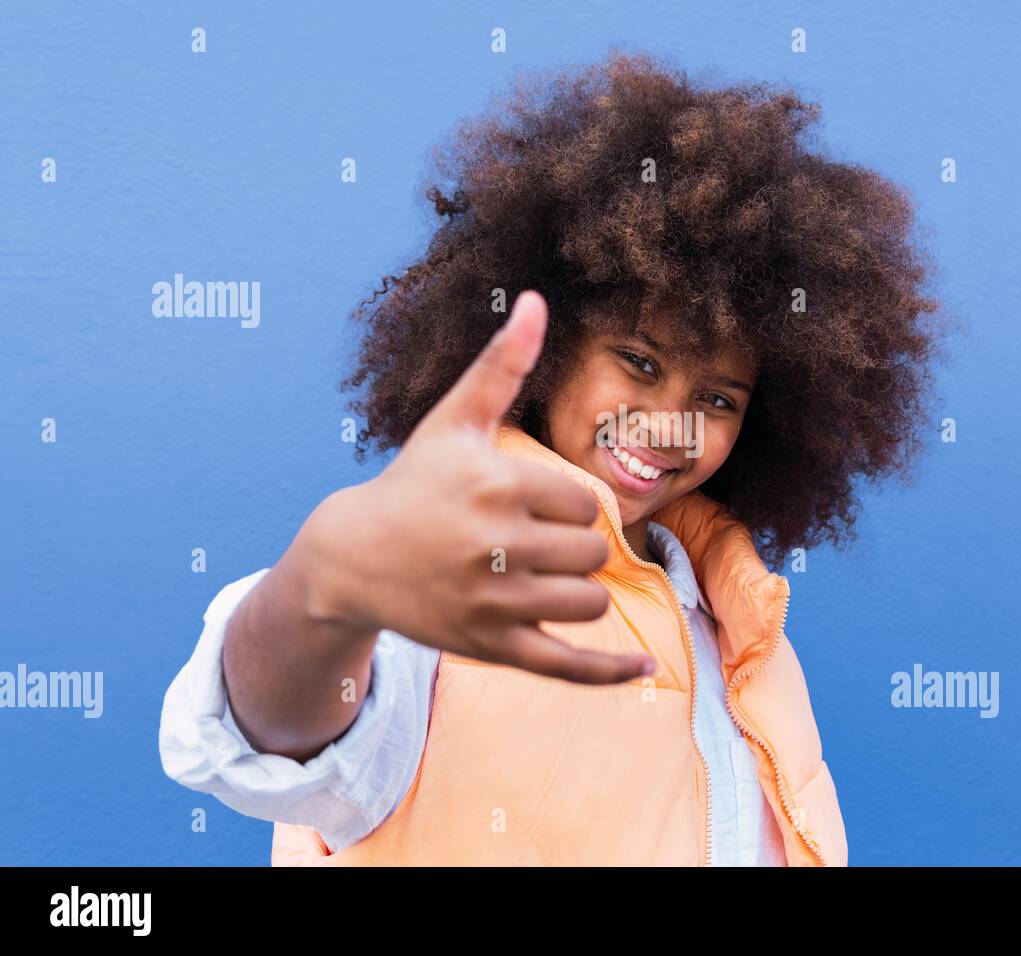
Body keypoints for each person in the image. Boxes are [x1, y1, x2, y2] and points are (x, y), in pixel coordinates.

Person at [159, 50, 943, 866]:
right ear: (554, 348)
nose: (670, 425)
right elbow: (260, 742)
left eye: (717, 400)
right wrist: (322, 592)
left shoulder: (739, 626)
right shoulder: (445, 568)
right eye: (638, 362)